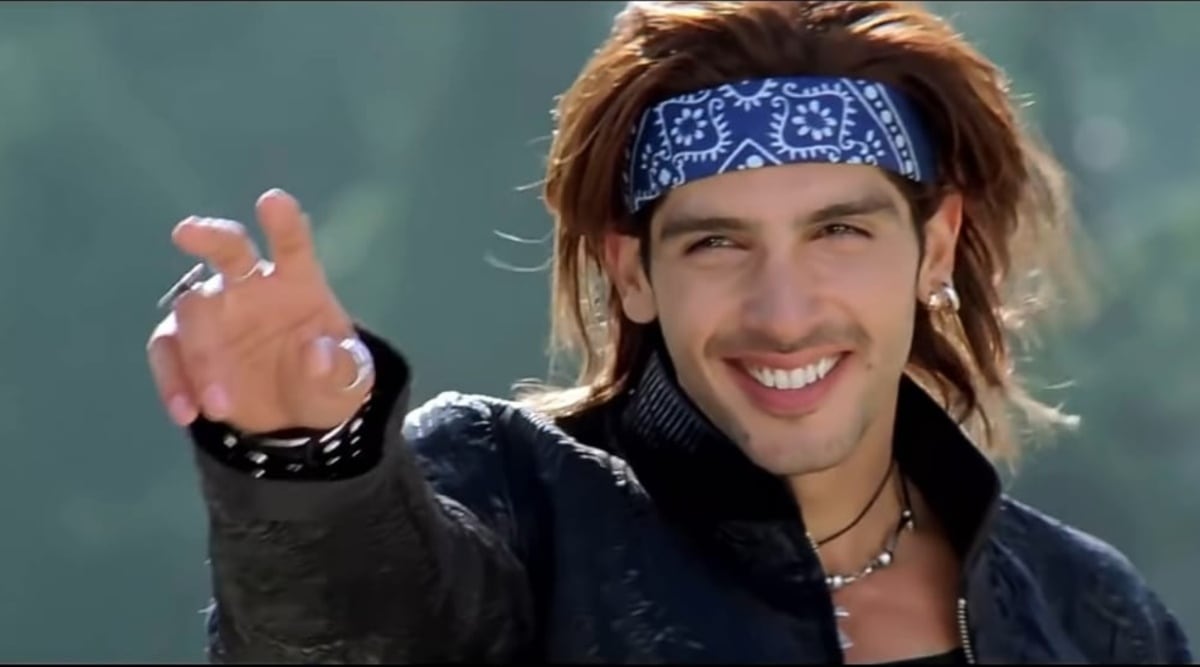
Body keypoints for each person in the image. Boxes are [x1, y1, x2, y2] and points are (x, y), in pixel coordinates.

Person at [145, 1, 1191, 663]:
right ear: (633, 272)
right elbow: (352, 632)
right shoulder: (516, 500)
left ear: (934, 246)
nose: (785, 311)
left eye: (839, 232)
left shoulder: (1087, 612)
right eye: (717, 244)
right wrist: (312, 465)